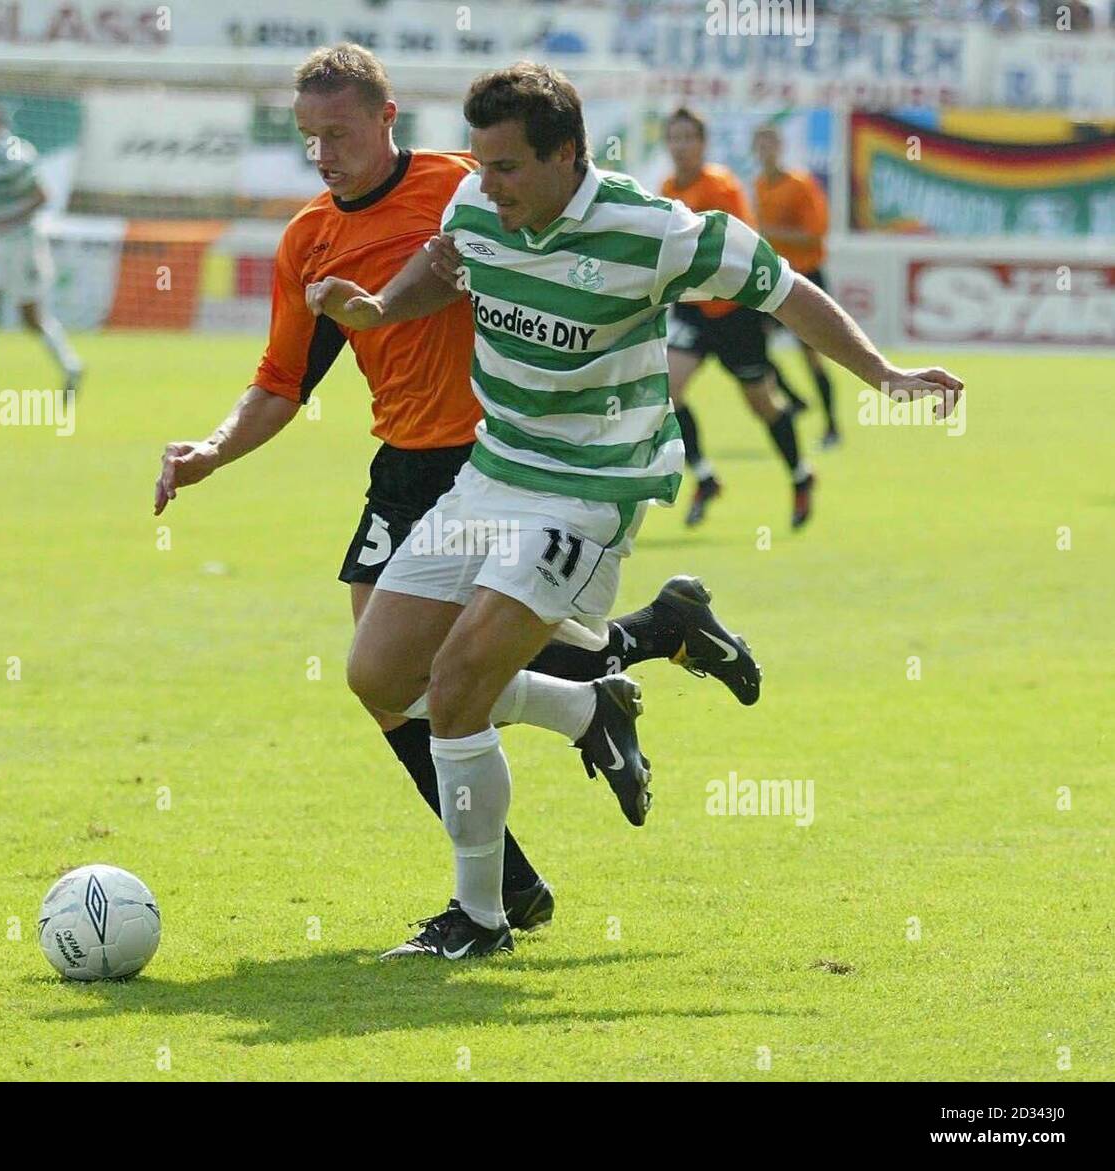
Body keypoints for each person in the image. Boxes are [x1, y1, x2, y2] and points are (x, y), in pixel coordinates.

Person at [307, 63, 962, 959]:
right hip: (493, 474)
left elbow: (786, 289)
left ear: (566, 156)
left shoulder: (650, 230)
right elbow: (447, 263)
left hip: (591, 490)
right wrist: (380, 308)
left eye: (505, 168)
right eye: (479, 164)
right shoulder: (473, 204)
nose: (483, 184)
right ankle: (591, 707)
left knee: (457, 685)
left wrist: (883, 373)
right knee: (378, 676)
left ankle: (483, 917)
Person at [154, 45, 763, 939]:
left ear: (387, 117)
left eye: (339, 132)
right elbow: (284, 379)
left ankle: (504, 885)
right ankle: (628, 663)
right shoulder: (308, 239)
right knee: (391, 680)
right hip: (406, 462)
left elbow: (580, 242)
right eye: (308, 137)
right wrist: (212, 449)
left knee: (450, 672)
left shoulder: (468, 183)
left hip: (501, 456)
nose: (323, 153)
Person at [661, 107, 814, 528]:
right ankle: (706, 477)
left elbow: (741, 249)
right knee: (666, 393)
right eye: (674, 138)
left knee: (762, 404)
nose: (681, 146)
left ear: (703, 143)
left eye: (688, 137)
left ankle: (800, 476)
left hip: (733, 314)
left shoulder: (721, 187)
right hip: (694, 313)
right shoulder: (667, 188)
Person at [0, 105, 82, 408]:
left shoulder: (15, 155)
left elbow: (42, 196)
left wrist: (8, 222)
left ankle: (71, 366)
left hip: (21, 243)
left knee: (30, 317)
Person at [753, 123, 840, 447]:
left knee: (812, 356)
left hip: (805, 279)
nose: (765, 151)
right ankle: (796, 400)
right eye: (760, 145)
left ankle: (832, 426)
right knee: (754, 346)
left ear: (780, 147)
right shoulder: (759, 185)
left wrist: (767, 232)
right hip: (774, 279)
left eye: (770, 144)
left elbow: (815, 234)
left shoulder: (801, 184)